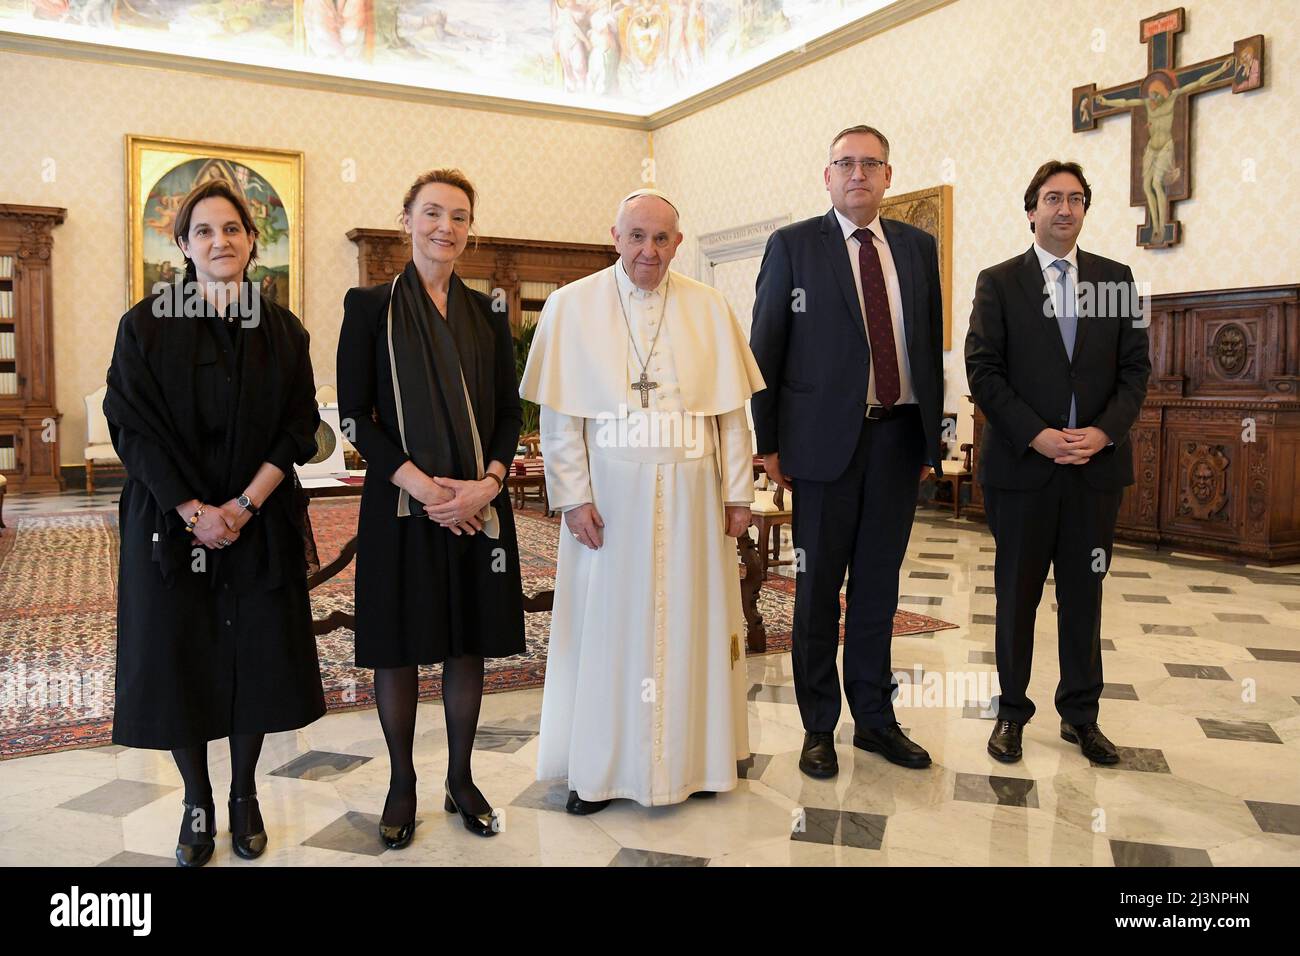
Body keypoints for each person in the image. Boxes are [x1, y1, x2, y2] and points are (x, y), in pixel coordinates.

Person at [520, 187, 764, 813]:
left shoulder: (709, 308)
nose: (648, 251)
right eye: (636, 236)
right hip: (611, 500)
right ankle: (600, 772)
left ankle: (697, 763)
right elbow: (559, 418)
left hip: (694, 498)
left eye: (661, 238)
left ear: (678, 242)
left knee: (694, 626)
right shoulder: (572, 307)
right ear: (615, 236)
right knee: (608, 631)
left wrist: (738, 494)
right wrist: (572, 498)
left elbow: (731, 417)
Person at [105, 179, 326, 867]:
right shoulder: (143, 325)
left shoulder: (284, 329)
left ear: (252, 241)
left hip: (256, 522)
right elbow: (131, 428)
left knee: (256, 659)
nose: (220, 241)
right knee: (182, 659)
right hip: (170, 526)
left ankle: (243, 796)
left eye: (232, 229)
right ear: (183, 245)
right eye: (204, 230)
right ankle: (197, 799)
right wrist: (194, 511)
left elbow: (298, 427)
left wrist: (242, 506)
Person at [749, 125, 945, 779]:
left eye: (870, 163)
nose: (857, 173)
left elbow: (927, 345)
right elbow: (765, 350)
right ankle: (818, 727)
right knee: (817, 589)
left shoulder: (918, 249)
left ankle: (876, 721)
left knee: (878, 590)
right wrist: (769, 443)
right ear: (827, 177)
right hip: (822, 447)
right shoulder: (794, 246)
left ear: (889, 176)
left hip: (897, 440)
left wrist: (929, 440)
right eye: (845, 164)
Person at [336, 169, 525, 846]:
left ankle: (461, 776)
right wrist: (421, 486)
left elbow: (508, 410)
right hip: (400, 509)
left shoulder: (487, 313)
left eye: (460, 216)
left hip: (476, 508)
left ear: (470, 228)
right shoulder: (369, 308)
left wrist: (489, 483)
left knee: (467, 642)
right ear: (406, 221)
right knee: (401, 648)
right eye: (433, 213)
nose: (446, 226)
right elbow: (355, 418)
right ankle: (401, 781)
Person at [965, 160, 1150, 765]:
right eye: (1052, 198)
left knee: (1084, 595)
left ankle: (1081, 715)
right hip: (1023, 469)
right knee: (1016, 595)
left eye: (1074, 199)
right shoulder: (998, 282)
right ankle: (1012, 714)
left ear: (1085, 210)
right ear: (1031, 211)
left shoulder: (1117, 280)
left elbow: (1134, 372)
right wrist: (1036, 435)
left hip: (1094, 470)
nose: (1063, 209)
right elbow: (983, 371)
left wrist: (1103, 432)